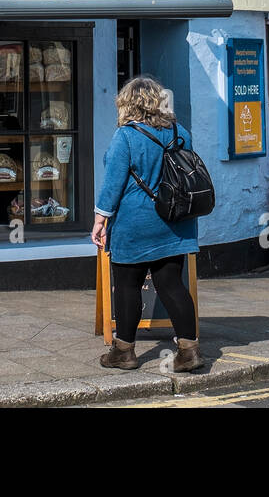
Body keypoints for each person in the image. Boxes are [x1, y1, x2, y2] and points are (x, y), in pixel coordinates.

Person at [92, 75, 201, 372]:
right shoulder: (180, 132)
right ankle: (188, 352)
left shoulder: (126, 136)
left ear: (127, 104)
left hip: (135, 225)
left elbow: (112, 184)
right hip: (174, 222)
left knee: (127, 286)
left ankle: (124, 353)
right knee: (172, 285)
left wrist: (100, 220)